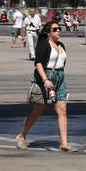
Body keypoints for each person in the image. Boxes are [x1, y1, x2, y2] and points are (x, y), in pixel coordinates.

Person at [16, 21, 78, 152]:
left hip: (59, 78)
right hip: (44, 78)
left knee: (62, 110)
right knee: (38, 110)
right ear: (48, 32)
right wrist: (45, 79)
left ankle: (64, 143)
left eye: (59, 29)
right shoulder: (43, 44)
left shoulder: (61, 45)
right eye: (55, 29)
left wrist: (57, 77)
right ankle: (22, 136)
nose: (58, 31)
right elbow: (38, 63)